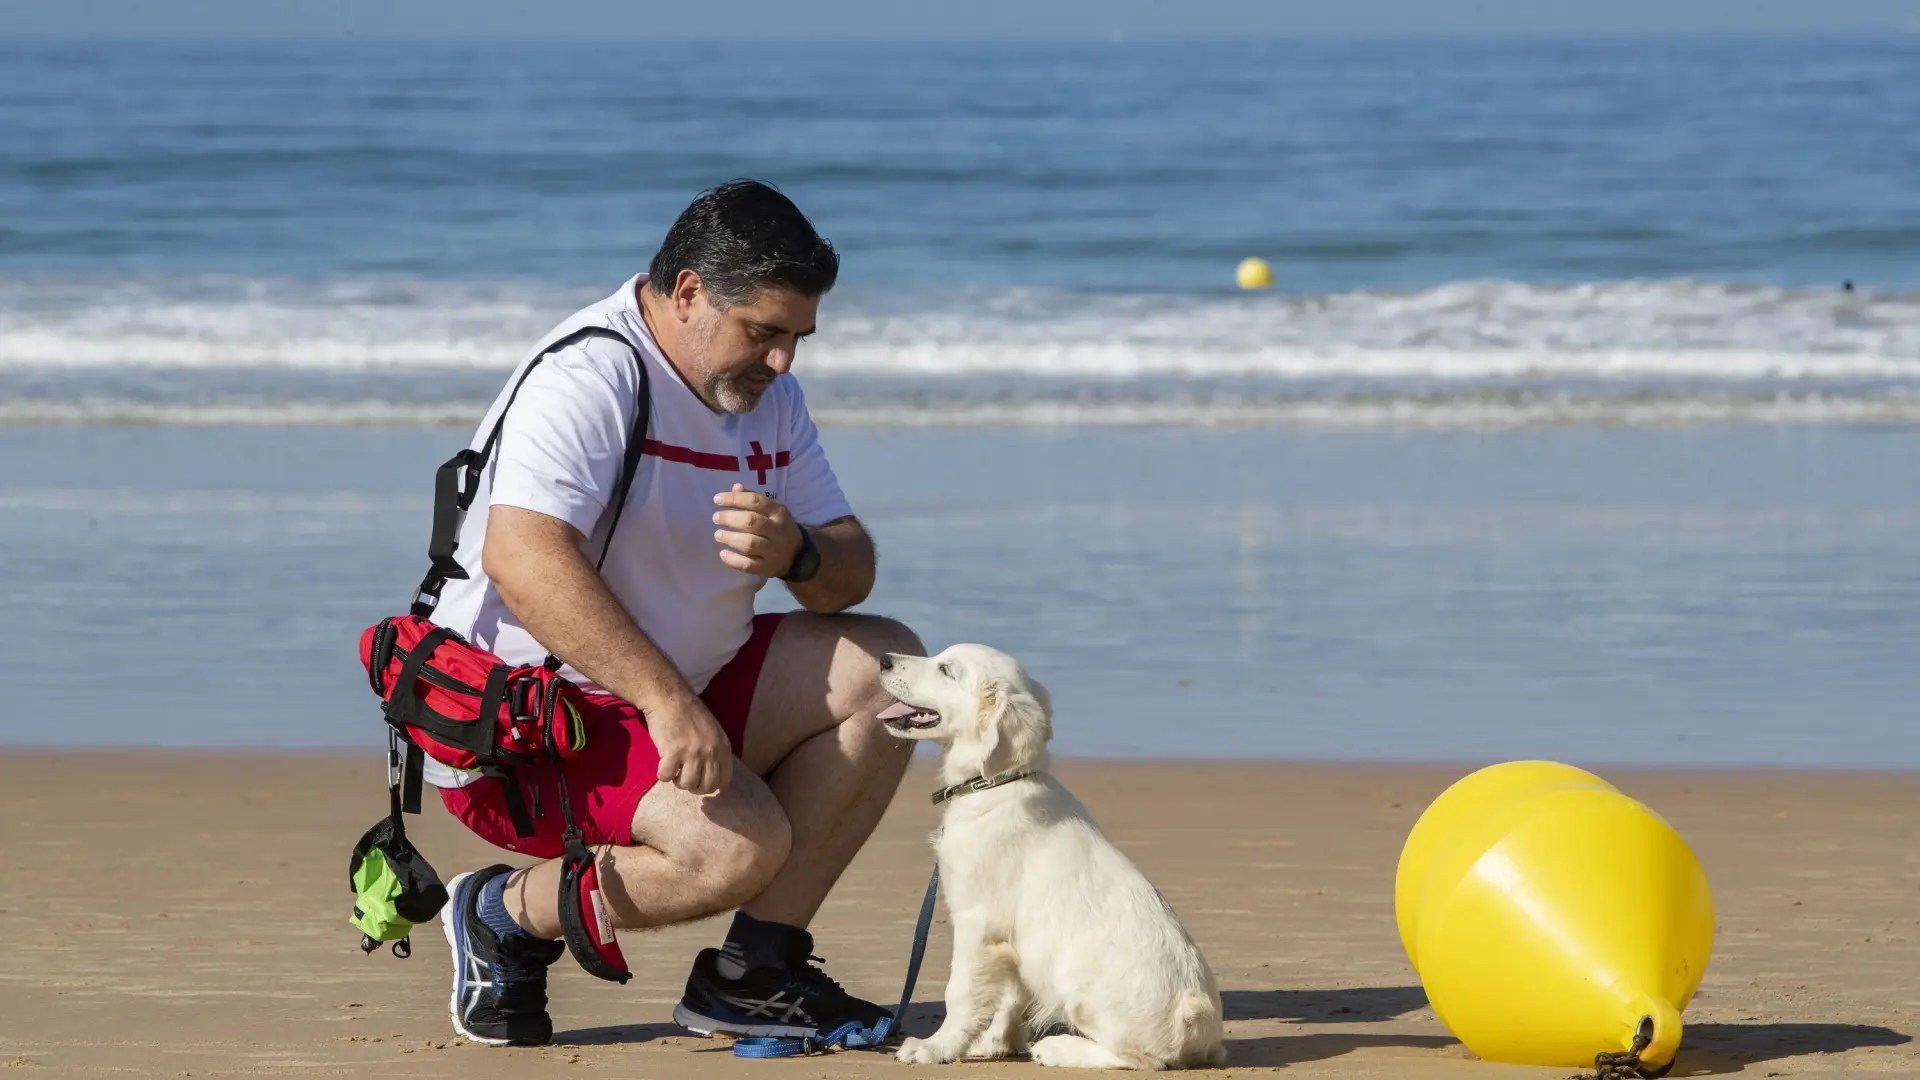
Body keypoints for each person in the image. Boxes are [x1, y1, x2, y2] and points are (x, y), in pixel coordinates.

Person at [424, 180, 922, 1047]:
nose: (781, 364)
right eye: (763, 333)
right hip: (533, 729)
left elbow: (851, 573)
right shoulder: (593, 374)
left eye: (797, 339)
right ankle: (499, 911)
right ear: (688, 292)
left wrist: (799, 554)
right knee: (738, 850)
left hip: (684, 688)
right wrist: (666, 704)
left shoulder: (770, 400)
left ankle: (753, 976)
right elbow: (523, 559)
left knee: (896, 674)